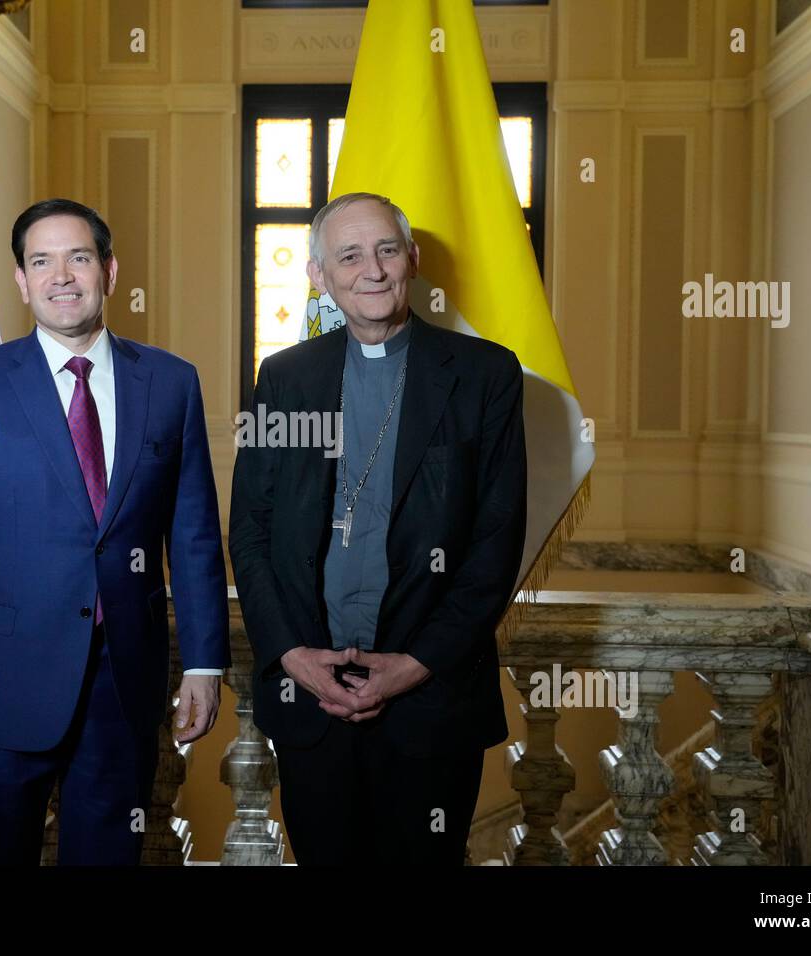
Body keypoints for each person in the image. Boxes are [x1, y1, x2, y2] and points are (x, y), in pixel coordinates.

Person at [0, 199, 230, 865]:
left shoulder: (171, 384)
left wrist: (202, 661)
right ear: (21, 281)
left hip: (126, 683)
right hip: (1, 689)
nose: (62, 276)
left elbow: (193, 534)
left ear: (108, 271)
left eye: (78, 257)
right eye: (41, 261)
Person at [229, 192, 528, 865]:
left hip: (432, 700)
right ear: (319, 277)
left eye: (387, 250)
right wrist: (292, 657)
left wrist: (414, 666)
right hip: (313, 698)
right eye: (349, 255)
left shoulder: (485, 375)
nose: (372, 269)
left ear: (412, 260)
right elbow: (249, 529)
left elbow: (495, 543)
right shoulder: (284, 377)